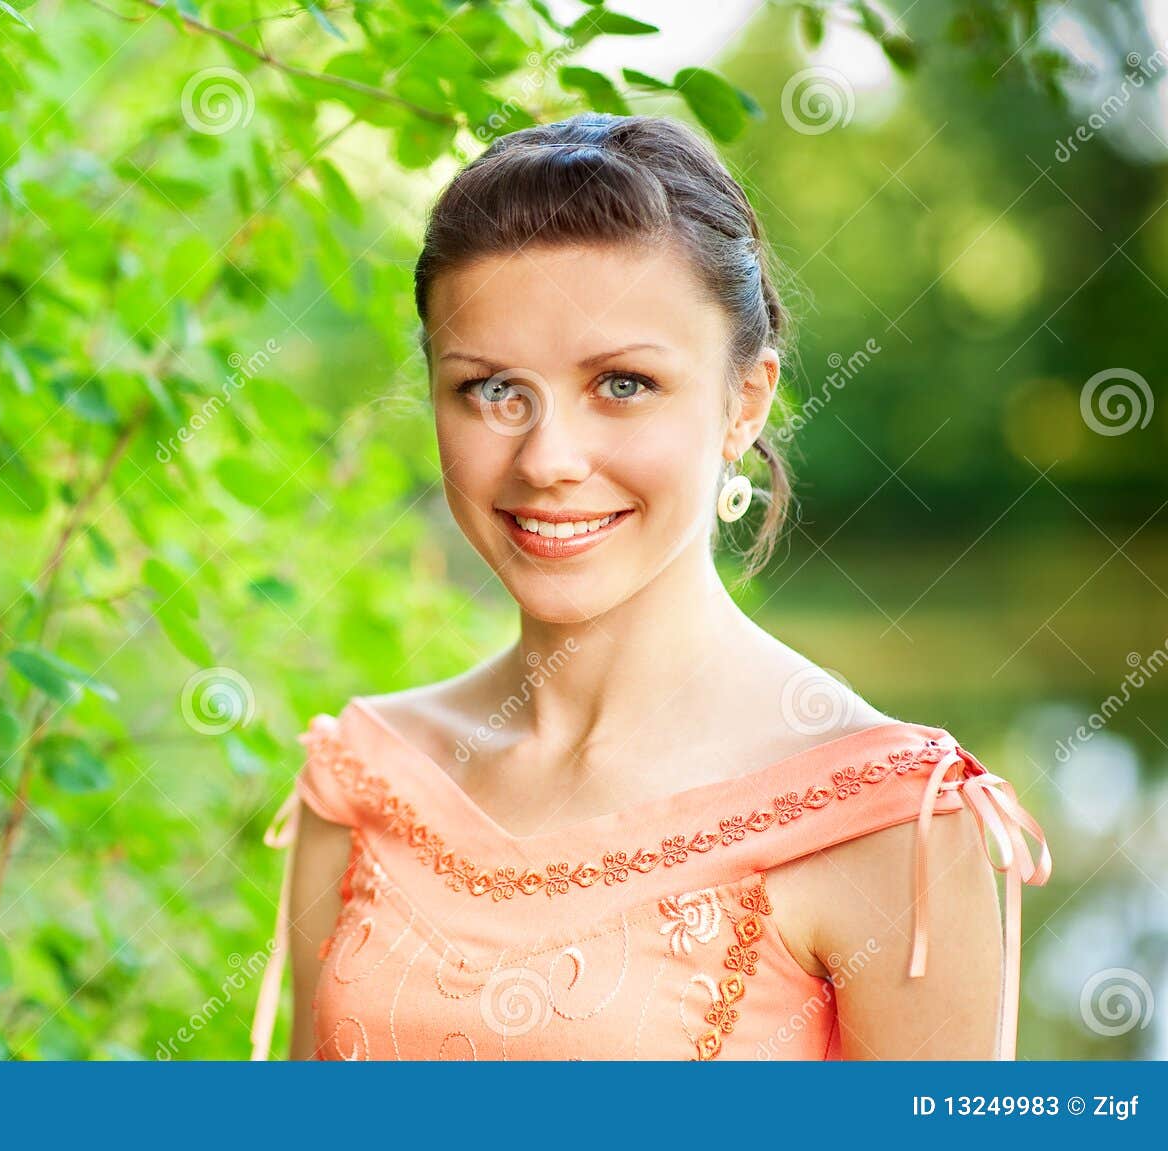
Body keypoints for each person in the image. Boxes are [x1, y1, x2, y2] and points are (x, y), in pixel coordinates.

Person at [250, 112, 1051, 1061]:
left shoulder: (890, 823)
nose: (547, 458)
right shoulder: (368, 778)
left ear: (742, 402)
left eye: (623, 383)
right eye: (491, 388)